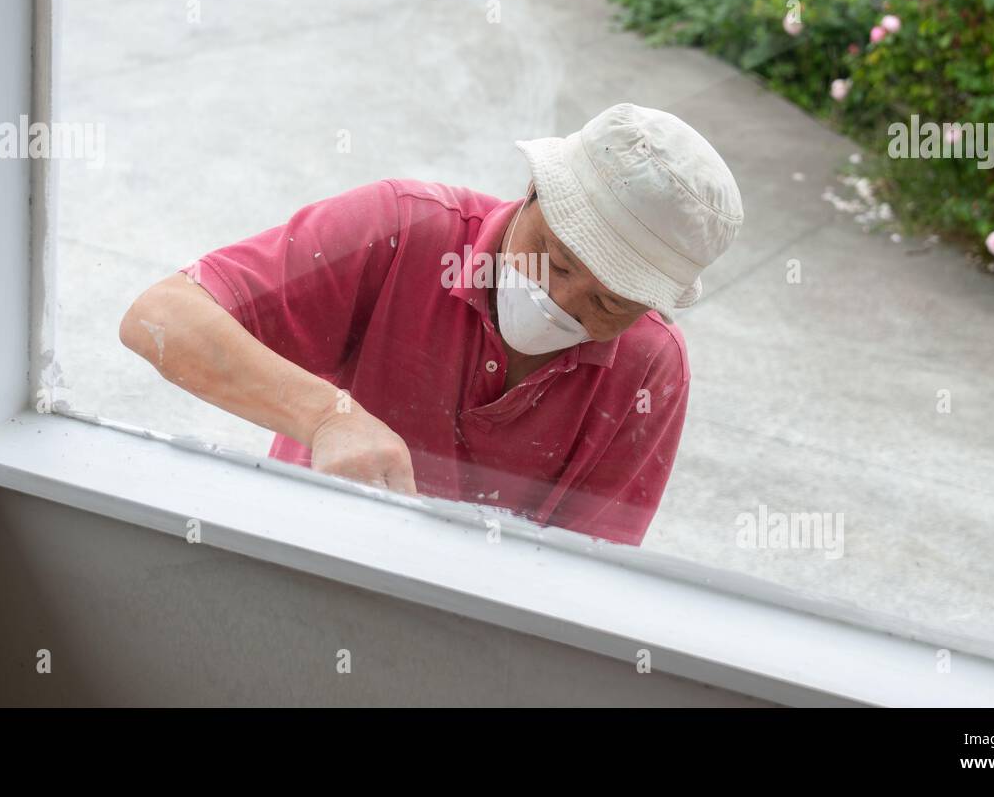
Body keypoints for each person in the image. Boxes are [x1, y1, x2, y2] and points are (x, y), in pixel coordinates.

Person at [119, 103, 743, 546]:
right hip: (307, 550)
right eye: (554, 260)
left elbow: (588, 578)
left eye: (608, 305)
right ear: (534, 189)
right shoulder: (403, 230)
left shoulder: (650, 367)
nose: (560, 302)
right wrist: (328, 417)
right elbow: (161, 316)